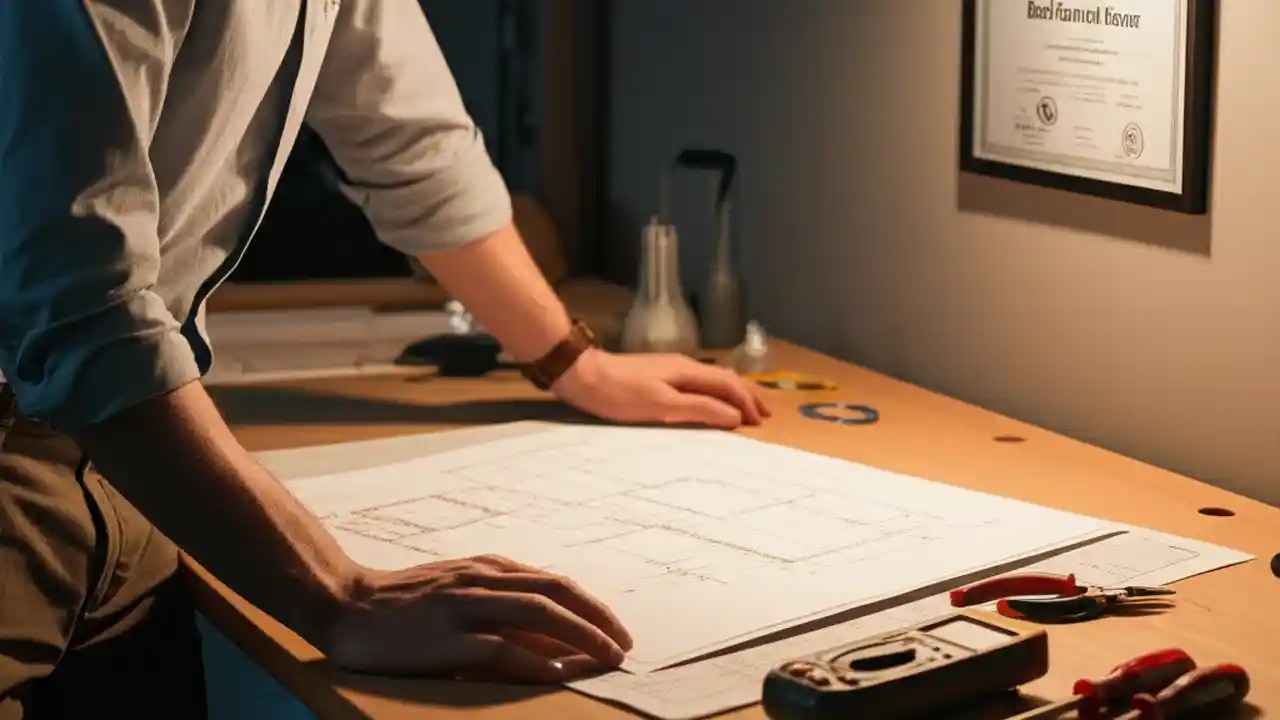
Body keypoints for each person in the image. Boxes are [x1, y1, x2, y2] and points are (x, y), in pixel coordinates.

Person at [0, 2, 770, 717]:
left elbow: (411, 143)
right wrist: (339, 592)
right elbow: (75, 306)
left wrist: (574, 364)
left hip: (130, 451)